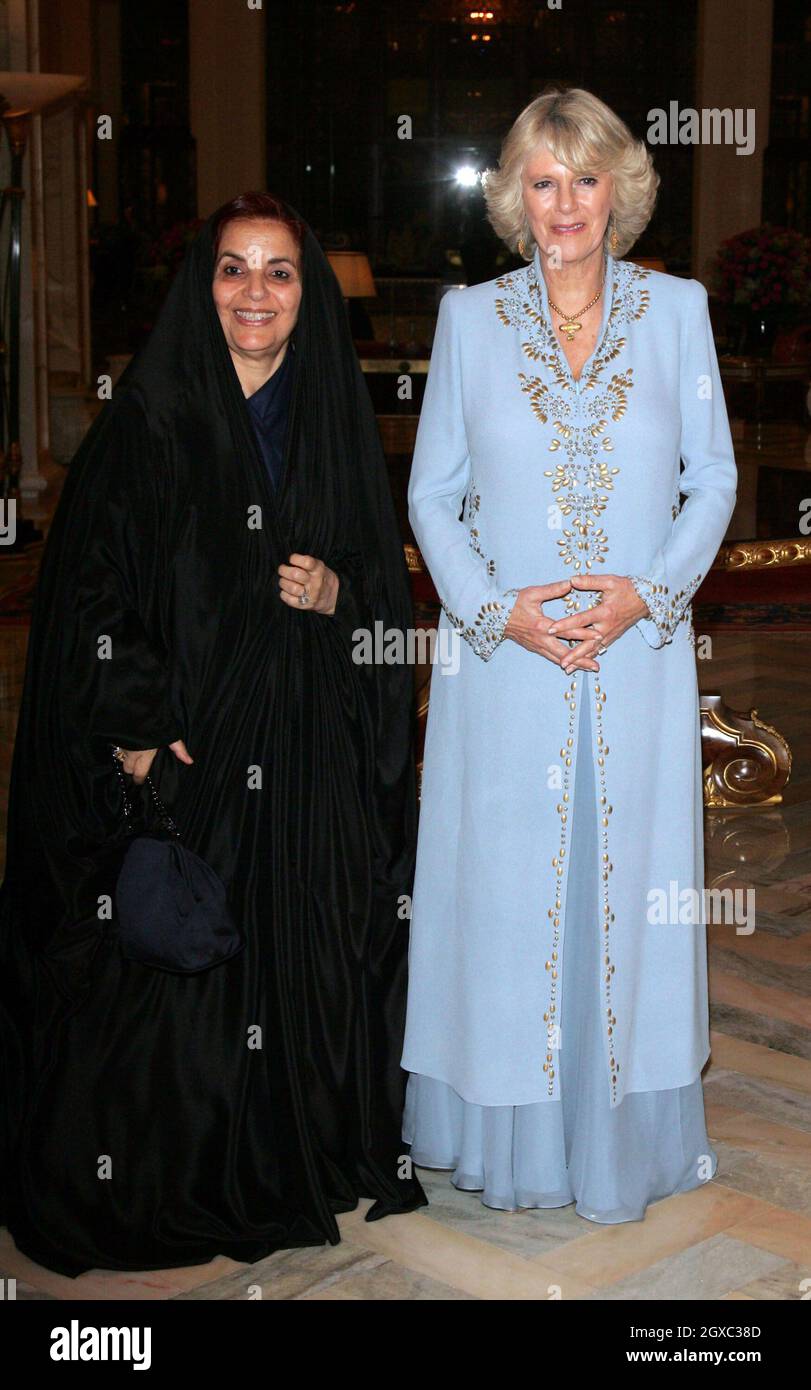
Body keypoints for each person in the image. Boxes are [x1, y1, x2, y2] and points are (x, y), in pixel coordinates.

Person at [0, 192, 426, 1277]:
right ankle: (175, 1166)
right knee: (185, 955)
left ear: (306, 294)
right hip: (192, 749)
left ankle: (301, 1148)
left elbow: (382, 582)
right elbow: (87, 595)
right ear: (205, 286)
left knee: (303, 946)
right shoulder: (149, 419)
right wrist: (135, 728)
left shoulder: (331, 415)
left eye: (279, 272)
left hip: (307, 755)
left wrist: (338, 595)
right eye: (234, 269)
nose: (254, 293)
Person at [401, 87, 738, 1222]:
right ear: (513, 198)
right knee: (505, 900)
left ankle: (619, 1137)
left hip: (638, 660)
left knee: (630, 891)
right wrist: (498, 612)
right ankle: (512, 1135)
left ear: (619, 191)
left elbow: (716, 479)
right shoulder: (468, 321)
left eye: (583, 179)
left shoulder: (679, 309)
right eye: (540, 182)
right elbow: (432, 494)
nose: (563, 204)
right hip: (506, 670)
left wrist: (647, 594)